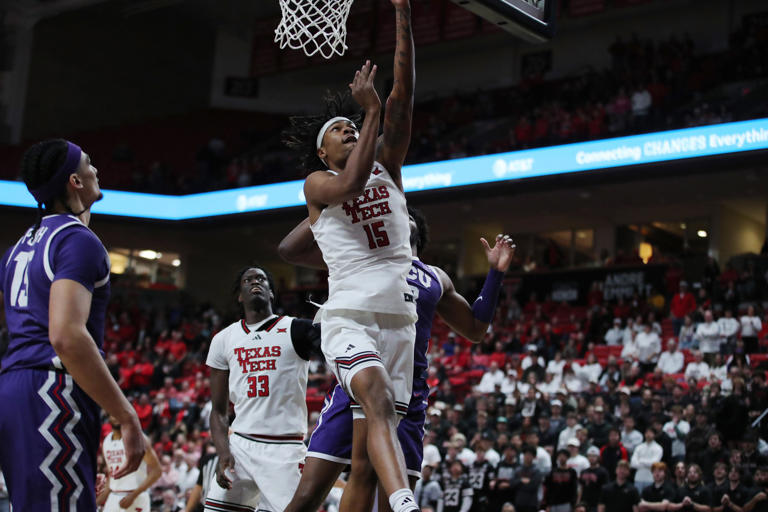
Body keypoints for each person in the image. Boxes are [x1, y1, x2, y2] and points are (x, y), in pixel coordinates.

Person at [278, 207, 514, 511]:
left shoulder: (435, 276)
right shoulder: (362, 257)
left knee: (390, 501)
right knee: (309, 494)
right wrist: (331, 201)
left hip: (408, 390)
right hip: (358, 379)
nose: (401, 213)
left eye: (407, 212)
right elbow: (289, 249)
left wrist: (495, 274)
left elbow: (475, 329)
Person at [282, 1, 419, 508]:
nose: (351, 131)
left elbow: (403, 96)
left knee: (364, 460)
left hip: (399, 320)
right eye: (340, 130)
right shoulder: (317, 183)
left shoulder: (388, 166)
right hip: (348, 318)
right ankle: (406, 504)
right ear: (322, 152)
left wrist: (402, 15)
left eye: (353, 127)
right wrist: (368, 110)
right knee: (377, 398)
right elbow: (352, 182)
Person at [0, 139, 145, 510]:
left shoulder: (18, 248)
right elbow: (65, 335)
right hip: (49, 389)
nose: (95, 169)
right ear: (75, 182)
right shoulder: (78, 241)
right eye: (89, 163)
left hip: (17, 386)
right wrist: (125, 415)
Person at [205, 266, 322, 511]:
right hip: (240, 447)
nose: (255, 282)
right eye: (248, 280)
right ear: (240, 295)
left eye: (262, 279)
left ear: (271, 293)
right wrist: (223, 452)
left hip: (285, 449)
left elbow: (337, 352)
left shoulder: (297, 329)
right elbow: (217, 411)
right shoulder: (223, 339)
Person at [98, 415, 162, 512]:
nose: (116, 416)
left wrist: (133, 495)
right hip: (114, 496)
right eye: (113, 413)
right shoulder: (106, 441)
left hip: (136, 496)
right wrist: (96, 502)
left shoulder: (138, 438)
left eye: (118, 412)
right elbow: (111, 477)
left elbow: (157, 471)